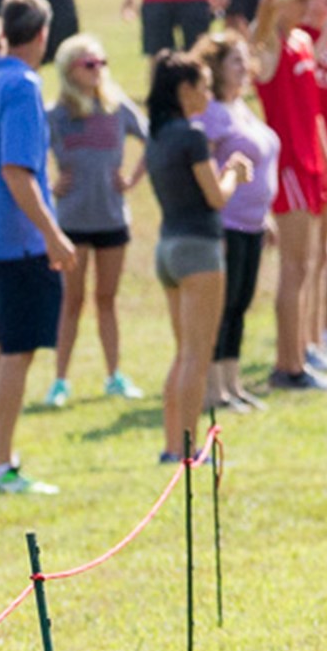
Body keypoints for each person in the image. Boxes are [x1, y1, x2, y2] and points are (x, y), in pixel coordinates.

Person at [0, 0, 76, 496]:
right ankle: (0, 463)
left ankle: (0, 452)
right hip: (18, 243)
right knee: (18, 352)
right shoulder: (24, 85)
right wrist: (52, 234)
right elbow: (17, 170)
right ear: (42, 35)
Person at [143, 50, 253, 462]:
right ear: (184, 90)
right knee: (197, 355)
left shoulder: (157, 136)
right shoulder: (191, 137)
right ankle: (187, 448)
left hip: (168, 248)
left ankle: (173, 444)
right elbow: (215, 196)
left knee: (183, 353)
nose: (208, 93)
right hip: (199, 251)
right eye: (203, 85)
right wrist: (234, 173)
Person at [250, 0, 327, 392]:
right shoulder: (270, 45)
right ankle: (287, 367)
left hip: (309, 165)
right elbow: (269, 1)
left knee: (306, 266)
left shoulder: (302, 42)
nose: (310, 3)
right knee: (293, 268)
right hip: (288, 166)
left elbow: (313, 111)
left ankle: (300, 356)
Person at [45, 34, 149, 409]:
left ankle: (114, 374)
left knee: (107, 299)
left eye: (102, 63)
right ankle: (60, 381)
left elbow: (154, 139)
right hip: (72, 221)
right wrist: (49, 187)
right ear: (70, 69)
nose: (98, 71)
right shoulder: (55, 113)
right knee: (71, 301)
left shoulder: (117, 108)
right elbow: (26, 156)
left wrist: (132, 180)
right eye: (89, 64)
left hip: (111, 218)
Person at [194, 33, 276, 412]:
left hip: (253, 223)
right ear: (216, 69)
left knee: (240, 303)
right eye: (236, 62)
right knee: (221, 307)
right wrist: (211, 224)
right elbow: (202, 169)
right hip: (225, 224)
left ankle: (233, 382)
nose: (245, 69)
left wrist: (268, 216)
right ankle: (213, 390)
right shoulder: (212, 113)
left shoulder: (242, 107)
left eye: (245, 61)